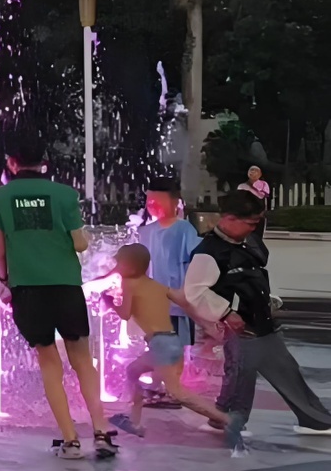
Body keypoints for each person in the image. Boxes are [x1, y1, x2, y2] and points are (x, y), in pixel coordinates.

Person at [0, 132, 108, 461]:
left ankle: (70, 441)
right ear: (44, 162)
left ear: (12, 163)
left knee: (49, 363)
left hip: (28, 290)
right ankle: (101, 432)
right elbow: (80, 243)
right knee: (83, 361)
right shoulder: (64, 195)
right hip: (65, 286)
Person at [183, 189, 331, 452]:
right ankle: (225, 421)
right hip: (239, 328)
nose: (255, 228)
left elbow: (253, 277)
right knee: (241, 376)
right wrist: (226, 313)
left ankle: (315, 420)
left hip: (262, 324)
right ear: (229, 218)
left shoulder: (247, 244)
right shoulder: (208, 252)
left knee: (286, 371)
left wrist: (267, 299)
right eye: (251, 223)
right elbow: (194, 291)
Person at [104, 243, 226, 436]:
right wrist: (208, 323)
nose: (116, 265)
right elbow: (185, 302)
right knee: (133, 370)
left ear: (132, 266)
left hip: (161, 344)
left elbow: (125, 314)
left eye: (120, 262)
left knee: (177, 392)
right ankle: (133, 420)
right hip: (171, 341)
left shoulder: (129, 283)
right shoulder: (156, 285)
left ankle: (227, 420)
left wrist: (109, 301)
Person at [133, 180, 203, 410]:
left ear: (175, 203)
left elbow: (196, 261)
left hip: (176, 300)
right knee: (157, 344)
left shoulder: (184, 230)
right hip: (153, 302)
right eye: (149, 200)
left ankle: (173, 390)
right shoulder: (147, 232)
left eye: (158, 200)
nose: (152, 205)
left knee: (176, 344)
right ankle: (158, 385)